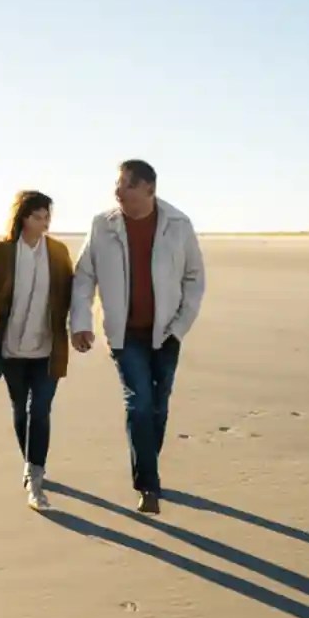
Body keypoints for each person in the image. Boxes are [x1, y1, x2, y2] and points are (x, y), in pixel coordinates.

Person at [70, 159, 206, 514]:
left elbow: (194, 278)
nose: (118, 191)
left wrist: (180, 326)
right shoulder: (102, 225)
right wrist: (81, 322)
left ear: (149, 189)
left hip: (166, 333)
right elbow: (84, 276)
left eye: (127, 184)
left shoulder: (178, 225)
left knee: (158, 406)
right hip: (124, 334)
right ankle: (148, 485)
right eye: (117, 184)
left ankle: (147, 464)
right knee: (139, 402)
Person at [0, 190, 75, 511]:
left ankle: (35, 477)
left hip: (48, 348)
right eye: (38, 216)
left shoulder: (57, 252)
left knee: (39, 409)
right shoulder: (1, 252)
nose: (45, 223)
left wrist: (81, 327)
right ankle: (32, 462)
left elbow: (73, 293)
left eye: (47, 216)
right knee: (21, 408)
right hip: (11, 348)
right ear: (23, 218)